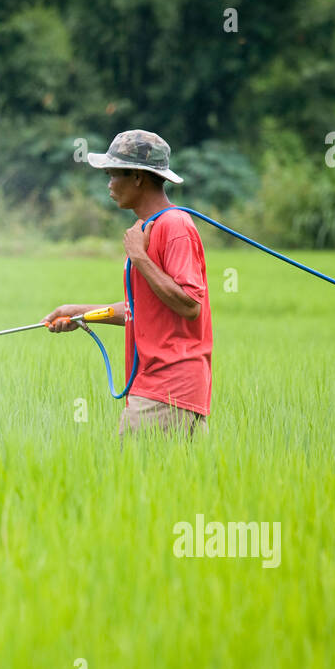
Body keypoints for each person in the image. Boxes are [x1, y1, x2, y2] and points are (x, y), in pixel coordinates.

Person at [44, 130, 212, 440]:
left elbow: (190, 305)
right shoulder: (146, 227)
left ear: (137, 177)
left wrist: (140, 258)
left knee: (136, 483)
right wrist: (76, 313)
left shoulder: (174, 226)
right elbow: (140, 311)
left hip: (167, 394)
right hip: (152, 389)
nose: (108, 184)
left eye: (112, 174)